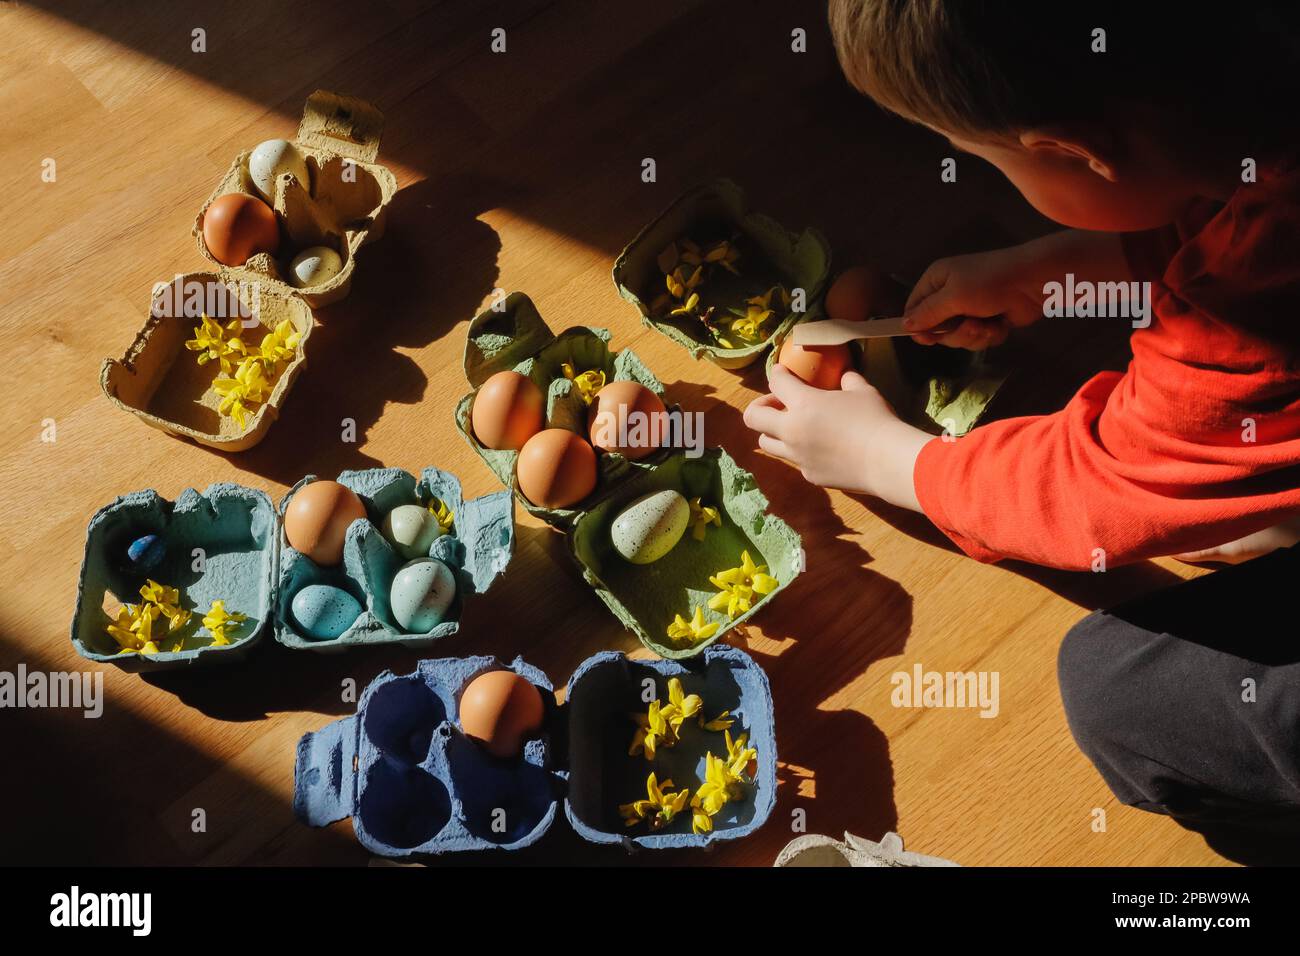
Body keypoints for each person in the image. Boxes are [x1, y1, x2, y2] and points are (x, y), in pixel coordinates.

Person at [740, 1, 1300, 856]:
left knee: (1117, 696)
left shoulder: (1261, 315)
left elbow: (1097, 490)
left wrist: (889, 458)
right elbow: (1226, 193)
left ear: (1072, 152)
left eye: (982, 159)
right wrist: (1058, 266)